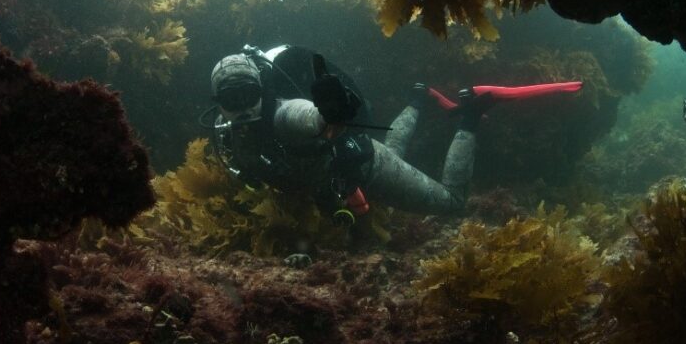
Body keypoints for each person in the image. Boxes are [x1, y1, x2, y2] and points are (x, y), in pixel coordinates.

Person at [207, 44, 495, 222]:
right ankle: (418, 100)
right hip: (334, 179)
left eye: (249, 95)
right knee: (393, 151)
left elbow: (306, 116)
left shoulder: (282, 114)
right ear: (218, 104)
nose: (243, 108)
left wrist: (329, 115)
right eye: (232, 100)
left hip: (366, 167)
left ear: (262, 90)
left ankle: (469, 116)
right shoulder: (224, 134)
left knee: (453, 203)